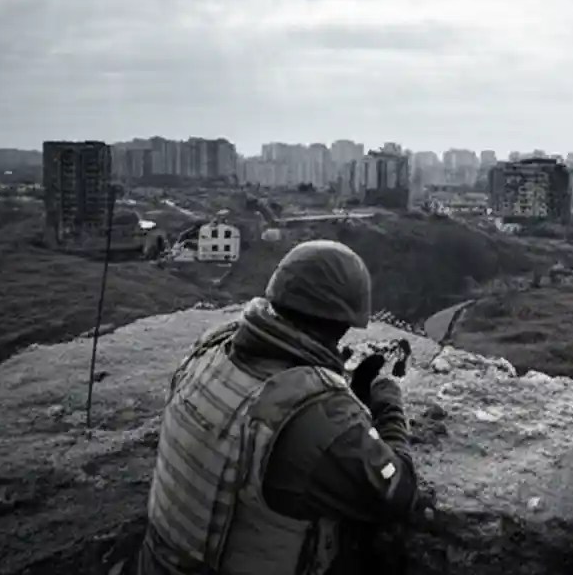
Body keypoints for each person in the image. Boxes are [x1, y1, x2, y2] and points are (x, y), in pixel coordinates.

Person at [137, 240, 431, 575]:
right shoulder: (312, 416)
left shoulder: (211, 348)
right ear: (344, 323)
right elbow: (398, 492)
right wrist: (387, 397)